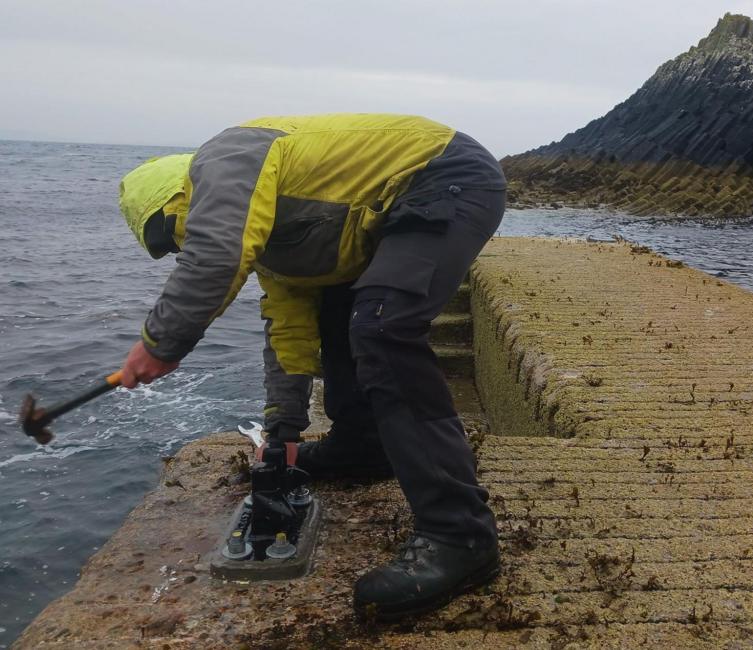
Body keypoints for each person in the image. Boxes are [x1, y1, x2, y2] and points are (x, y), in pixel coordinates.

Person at [116, 114, 506, 620]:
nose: (180, 248)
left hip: (443, 176)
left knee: (384, 326)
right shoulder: (279, 251)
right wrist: (282, 433)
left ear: (186, 196)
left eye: (173, 232)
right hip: (382, 214)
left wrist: (159, 343)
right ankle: (363, 448)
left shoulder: (228, 157)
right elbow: (289, 337)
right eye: (169, 248)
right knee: (341, 317)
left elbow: (215, 255)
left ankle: (461, 536)